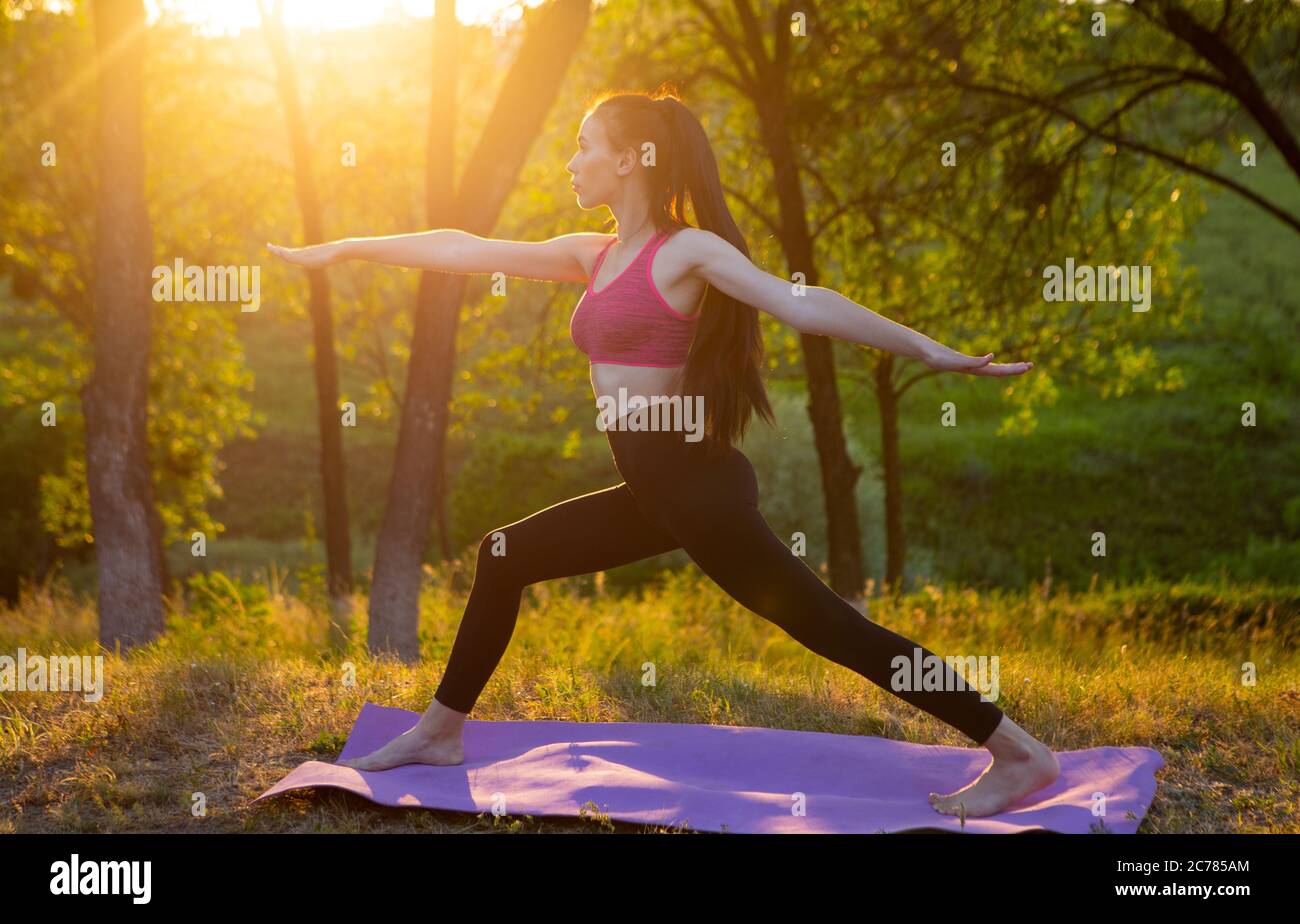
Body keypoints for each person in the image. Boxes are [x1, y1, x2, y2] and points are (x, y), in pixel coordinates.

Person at [267, 89, 1058, 817]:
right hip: (655, 494)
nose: (570, 161)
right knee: (503, 554)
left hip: (698, 488)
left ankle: (1015, 749)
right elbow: (467, 247)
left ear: (630, 158)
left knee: (828, 627)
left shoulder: (686, 253)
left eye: (583, 146)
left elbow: (799, 302)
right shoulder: (595, 254)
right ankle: (441, 731)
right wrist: (345, 247)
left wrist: (931, 353)